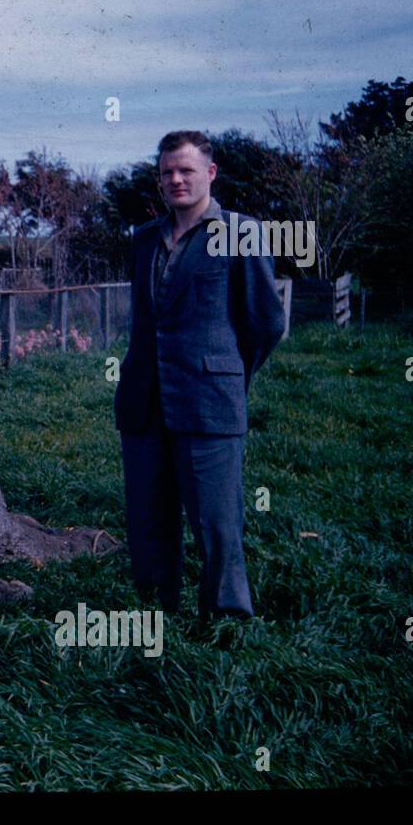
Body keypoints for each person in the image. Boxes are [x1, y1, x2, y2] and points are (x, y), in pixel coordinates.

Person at [114, 130, 286, 619]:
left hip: (210, 404)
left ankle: (228, 622)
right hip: (144, 404)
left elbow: (267, 322)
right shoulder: (144, 238)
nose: (175, 179)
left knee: (216, 523)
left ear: (209, 173)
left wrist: (227, 374)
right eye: (167, 171)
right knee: (148, 522)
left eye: (185, 170)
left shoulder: (240, 232)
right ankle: (155, 615)